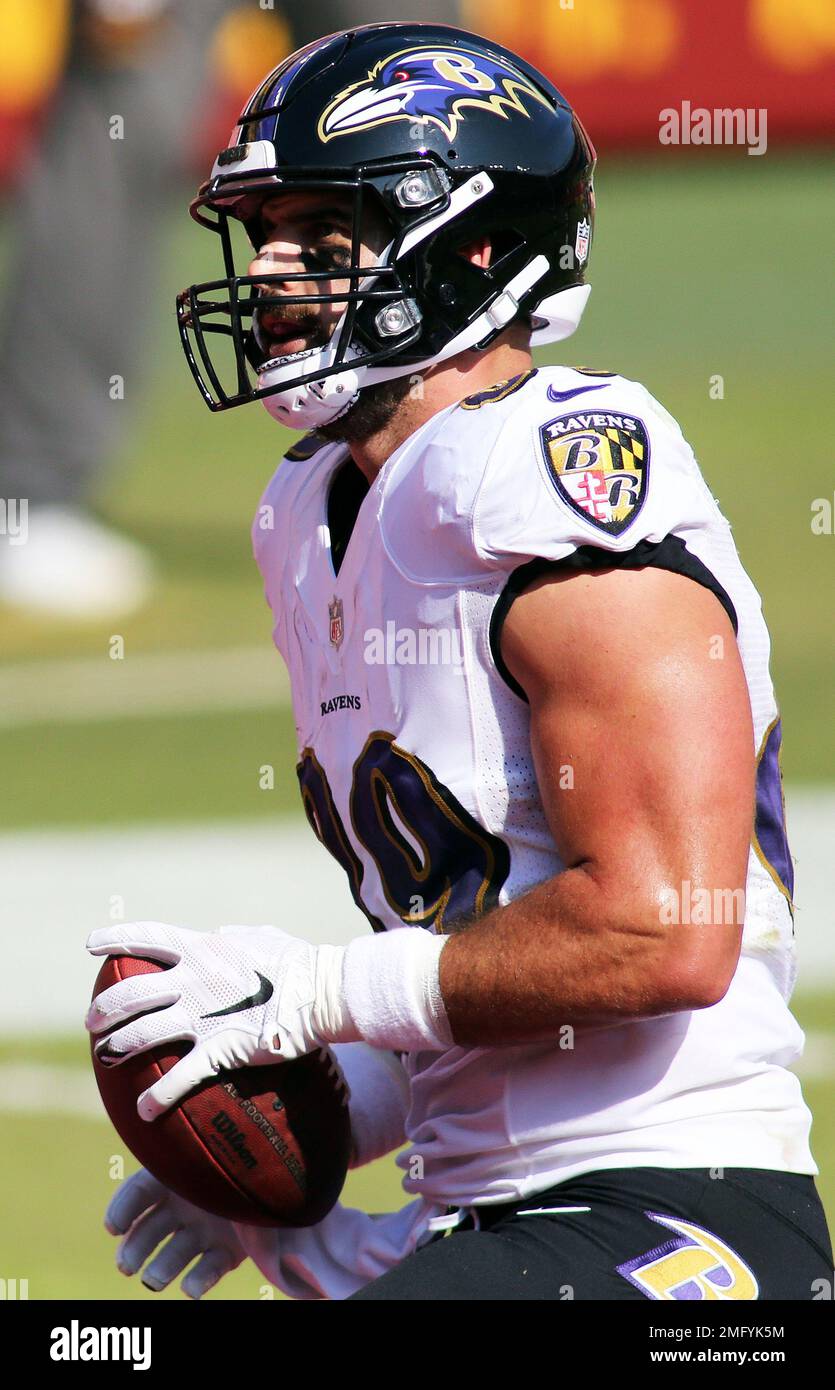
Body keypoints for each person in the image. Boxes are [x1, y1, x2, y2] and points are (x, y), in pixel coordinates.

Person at [86, 21, 832, 1300]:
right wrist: (302, 1126)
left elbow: (664, 935)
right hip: (473, 1214)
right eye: (261, 234)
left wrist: (316, 993)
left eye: (322, 238)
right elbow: (478, 931)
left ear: (470, 248)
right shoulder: (309, 510)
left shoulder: (543, 469)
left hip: (679, 1214)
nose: (268, 273)